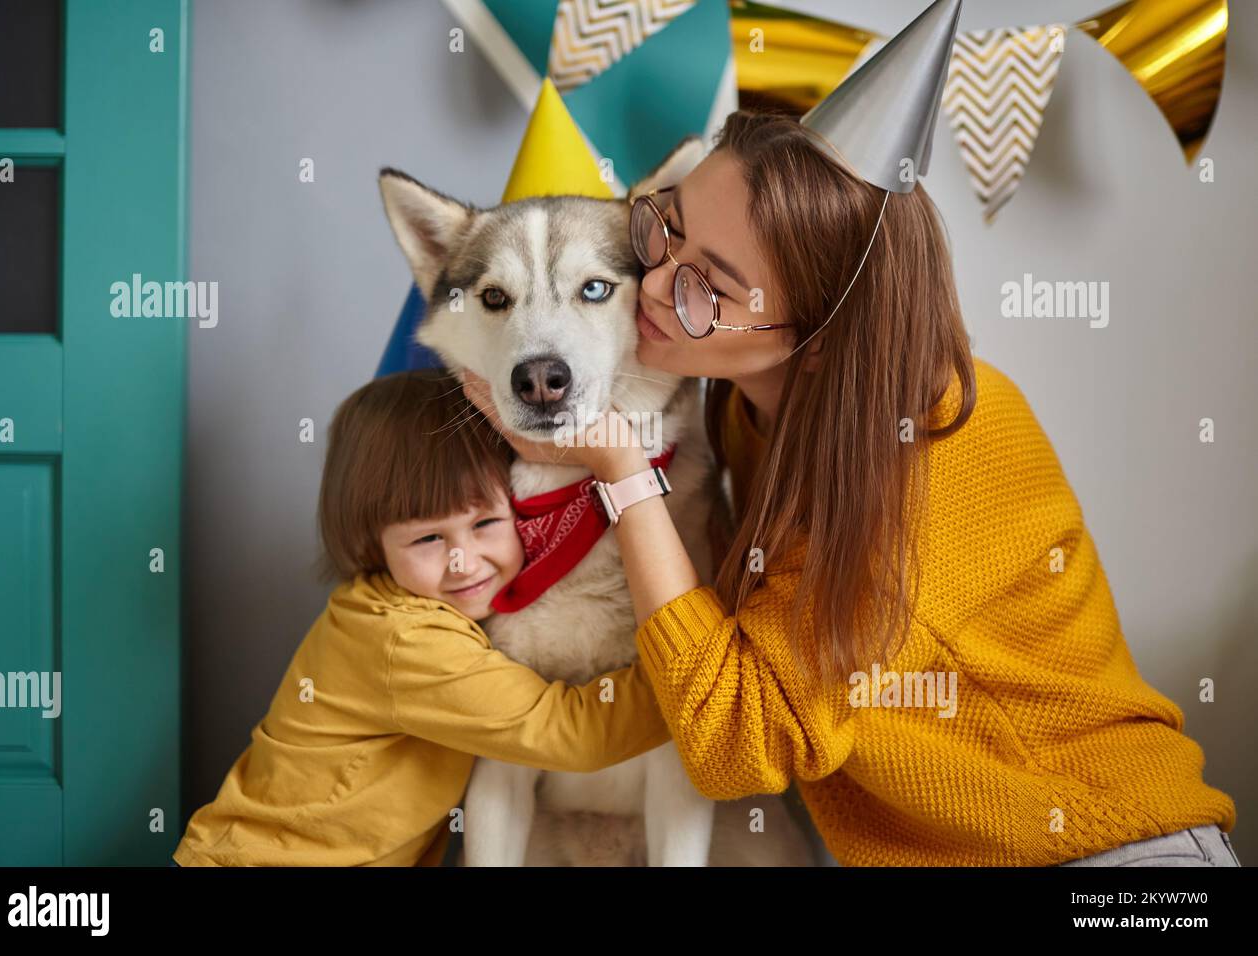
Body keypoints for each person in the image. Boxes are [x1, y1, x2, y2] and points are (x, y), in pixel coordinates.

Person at [460, 107, 1240, 867]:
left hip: (1110, 854)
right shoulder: (742, 409)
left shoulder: (940, 446)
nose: (655, 284)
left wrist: (623, 473)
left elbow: (735, 743)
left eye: (711, 291)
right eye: (667, 228)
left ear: (820, 341)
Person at [172, 369, 670, 866]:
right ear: (373, 543)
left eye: (486, 524)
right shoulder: (403, 640)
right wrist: (685, 677)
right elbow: (568, 732)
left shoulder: (402, 610)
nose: (464, 561)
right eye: (428, 539)